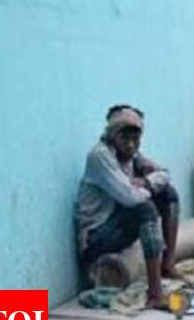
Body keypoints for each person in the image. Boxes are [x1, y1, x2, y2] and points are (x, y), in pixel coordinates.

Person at [76, 105, 181, 308]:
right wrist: (145, 185)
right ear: (113, 136)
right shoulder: (100, 156)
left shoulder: (133, 155)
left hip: (117, 223)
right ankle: (155, 294)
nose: (132, 145)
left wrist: (147, 182)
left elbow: (165, 174)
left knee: (169, 194)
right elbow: (130, 198)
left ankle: (168, 264)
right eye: (126, 138)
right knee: (145, 208)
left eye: (136, 139)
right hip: (95, 238)